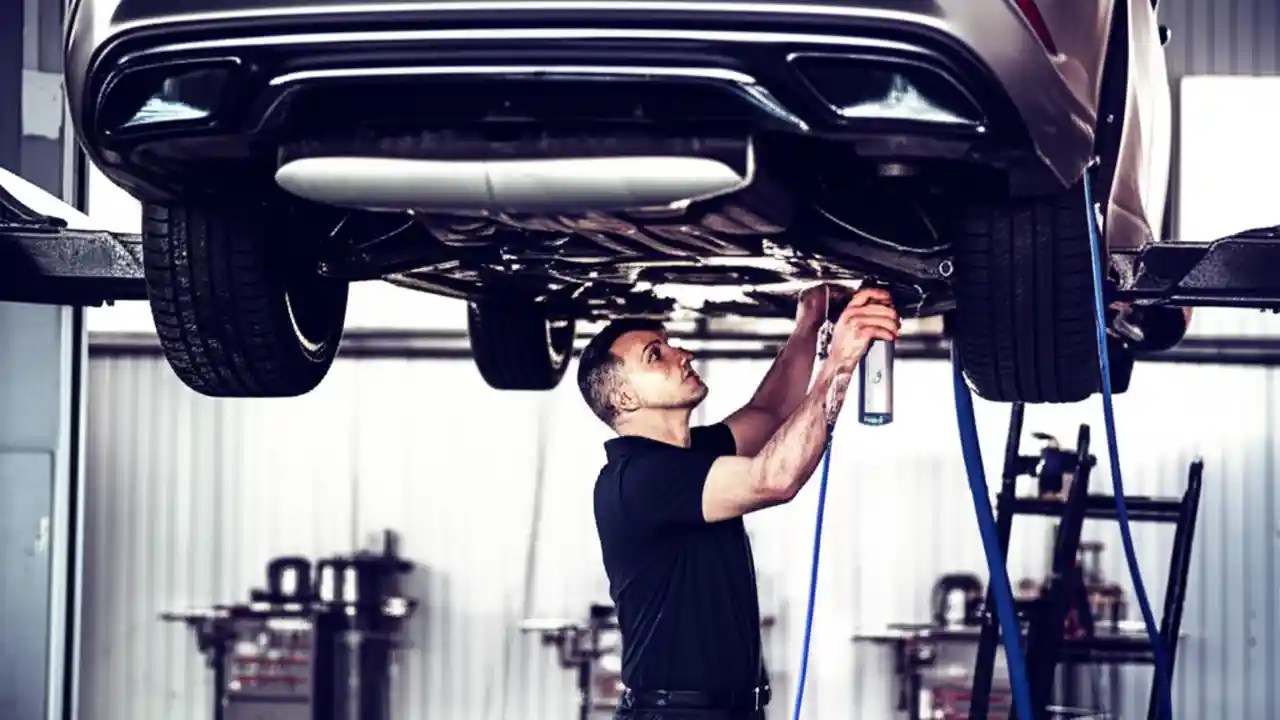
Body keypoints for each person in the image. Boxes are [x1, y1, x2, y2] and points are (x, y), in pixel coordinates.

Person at [577, 285, 901, 719]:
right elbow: (774, 478)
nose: (683, 354)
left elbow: (770, 412)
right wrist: (839, 361)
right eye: (656, 355)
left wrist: (808, 323)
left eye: (671, 345)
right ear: (624, 398)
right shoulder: (635, 479)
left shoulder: (691, 455)